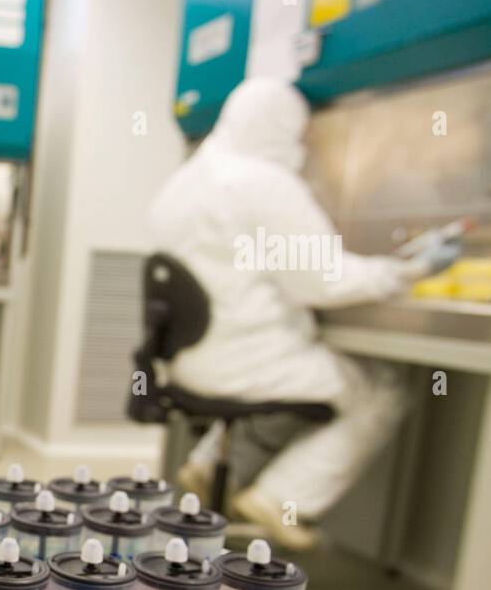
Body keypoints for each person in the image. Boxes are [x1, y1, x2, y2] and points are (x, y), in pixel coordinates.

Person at [148, 78, 461, 550]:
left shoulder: (185, 182)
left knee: (302, 382)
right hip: (244, 361)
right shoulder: (267, 183)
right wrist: (407, 269)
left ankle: (210, 462)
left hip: (185, 361)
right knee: (381, 388)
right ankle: (281, 497)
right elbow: (324, 279)